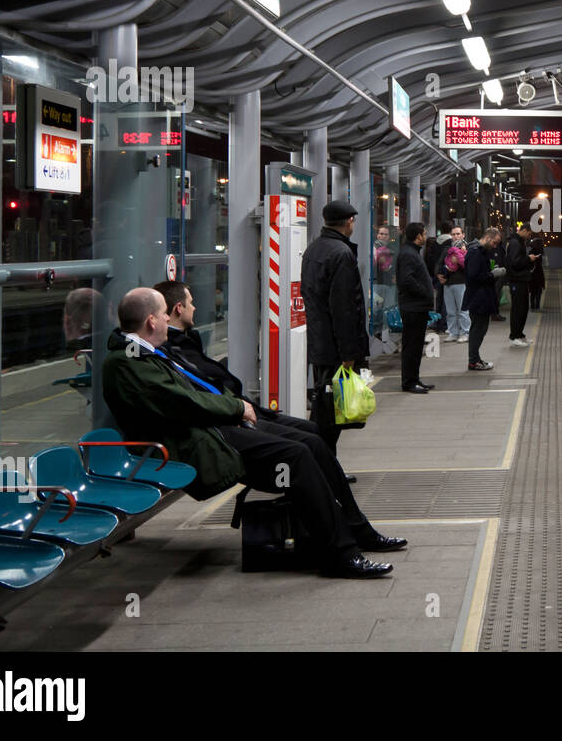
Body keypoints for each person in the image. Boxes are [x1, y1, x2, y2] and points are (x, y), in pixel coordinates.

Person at [101, 287, 398, 579]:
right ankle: (340, 555)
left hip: (208, 427)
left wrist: (235, 408)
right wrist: (234, 408)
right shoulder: (127, 362)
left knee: (312, 441)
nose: (168, 320)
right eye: (164, 315)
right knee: (296, 456)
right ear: (151, 321)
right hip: (193, 439)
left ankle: (357, 530)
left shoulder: (144, 354)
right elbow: (183, 403)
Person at [301, 199, 369, 454]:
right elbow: (344, 308)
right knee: (331, 415)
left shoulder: (313, 249)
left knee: (325, 408)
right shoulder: (341, 254)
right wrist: (349, 354)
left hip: (320, 342)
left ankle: (323, 466)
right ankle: (321, 466)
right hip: (335, 349)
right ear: (349, 221)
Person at [395, 221, 434, 394]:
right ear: (418, 236)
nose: (425, 236)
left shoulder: (412, 252)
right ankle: (409, 382)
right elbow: (406, 280)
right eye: (424, 233)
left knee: (417, 346)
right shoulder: (408, 254)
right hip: (412, 307)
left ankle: (415, 378)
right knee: (411, 346)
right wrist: (424, 292)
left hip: (417, 307)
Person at [462, 228, 504, 371]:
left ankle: (476, 359)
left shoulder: (480, 251)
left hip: (481, 298)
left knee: (480, 329)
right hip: (478, 298)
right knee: (477, 330)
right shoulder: (475, 252)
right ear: (487, 237)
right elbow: (473, 276)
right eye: (494, 242)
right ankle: (473, 361)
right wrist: (492, 275)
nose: (495, 246)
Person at [503, 223, 538, 346]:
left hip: (521, 280)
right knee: (518, 309)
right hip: (516, 280)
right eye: (529, 233)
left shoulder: (518, 242)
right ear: (523, 230)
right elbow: (515, 262)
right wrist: (529, 259)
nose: (529, 236)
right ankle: (514, 336)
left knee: (523, 308)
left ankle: (520, 334)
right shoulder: (515, 243)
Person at [437, 223, 470, 342]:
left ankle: (465, 332)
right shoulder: (447, 248)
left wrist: (459, 261)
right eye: (453, 234)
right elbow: (439, 263)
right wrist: (439, 275)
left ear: (463, 235)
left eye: (458, 234)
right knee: (450, 311)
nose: (456, 236)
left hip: (461, 282)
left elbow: (470, 267)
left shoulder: (468, 248)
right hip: (448, 283)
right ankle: (453, 332)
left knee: (463, 310)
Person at [490, 228, 507, 321]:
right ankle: (494, 314)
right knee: (495, 294)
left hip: (499, 273)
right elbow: (492, 259)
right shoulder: (493, 247)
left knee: (496, 294)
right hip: (494, 274)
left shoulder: (500, 246)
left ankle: (495, 313)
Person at [529, 235, 546, 310]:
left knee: (533, 291)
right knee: (539, 291)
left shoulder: (531, 251)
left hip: (533, 274)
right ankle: (537, 305)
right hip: (539, 273)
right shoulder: (540, 252)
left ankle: (532, 305)